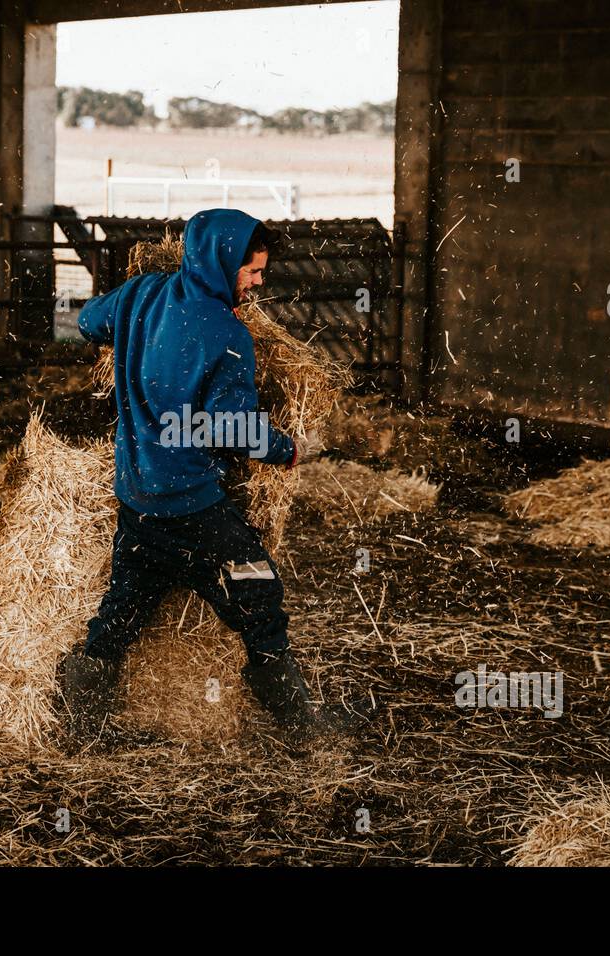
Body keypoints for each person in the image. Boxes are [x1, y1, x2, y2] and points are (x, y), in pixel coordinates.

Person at [58, 207, 371, 750]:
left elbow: (87, 323)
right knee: (258, 590)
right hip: (196, 508)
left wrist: (135, 330)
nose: (256, 282)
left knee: (122, 609)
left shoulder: (142, 294)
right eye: (250, 271)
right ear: (222, 261)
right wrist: (287, 448)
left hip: (138, 498)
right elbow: (232, 429)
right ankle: (299, 720)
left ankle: (80, 712)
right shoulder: (227, 336)